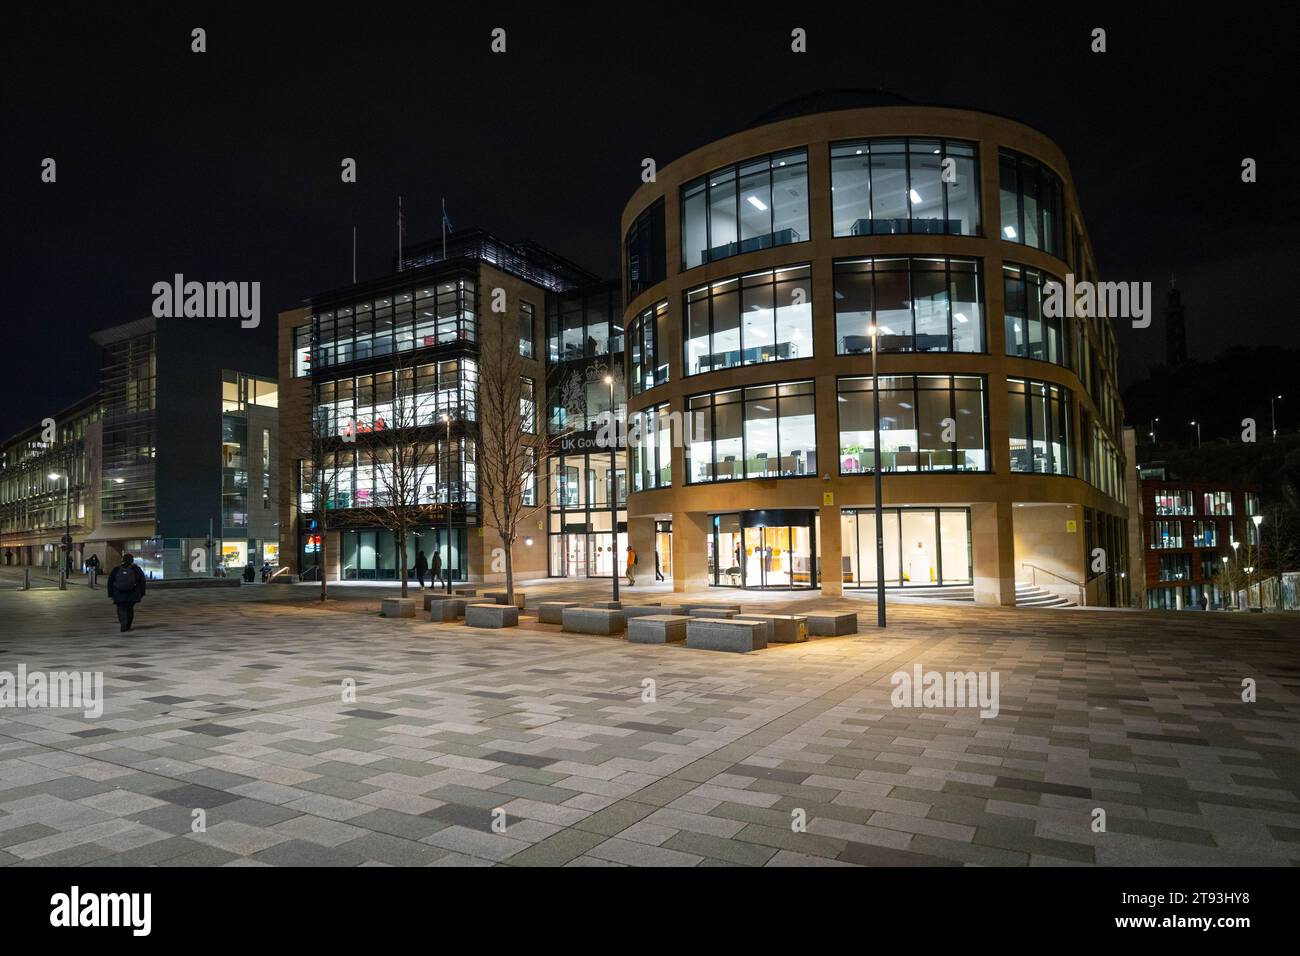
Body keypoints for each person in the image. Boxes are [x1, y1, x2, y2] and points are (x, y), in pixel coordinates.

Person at [107, 553, 147, 632]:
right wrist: (142, 593)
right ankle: (128, 625)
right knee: (130, 609)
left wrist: (111, 594)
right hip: (132, 593)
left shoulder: (116, 569)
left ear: (123, 560)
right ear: (132, 560)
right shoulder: (136, 569)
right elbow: (142, 581)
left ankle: (123, 623)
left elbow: (110, 582)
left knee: (121, 609)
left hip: (119, 594)